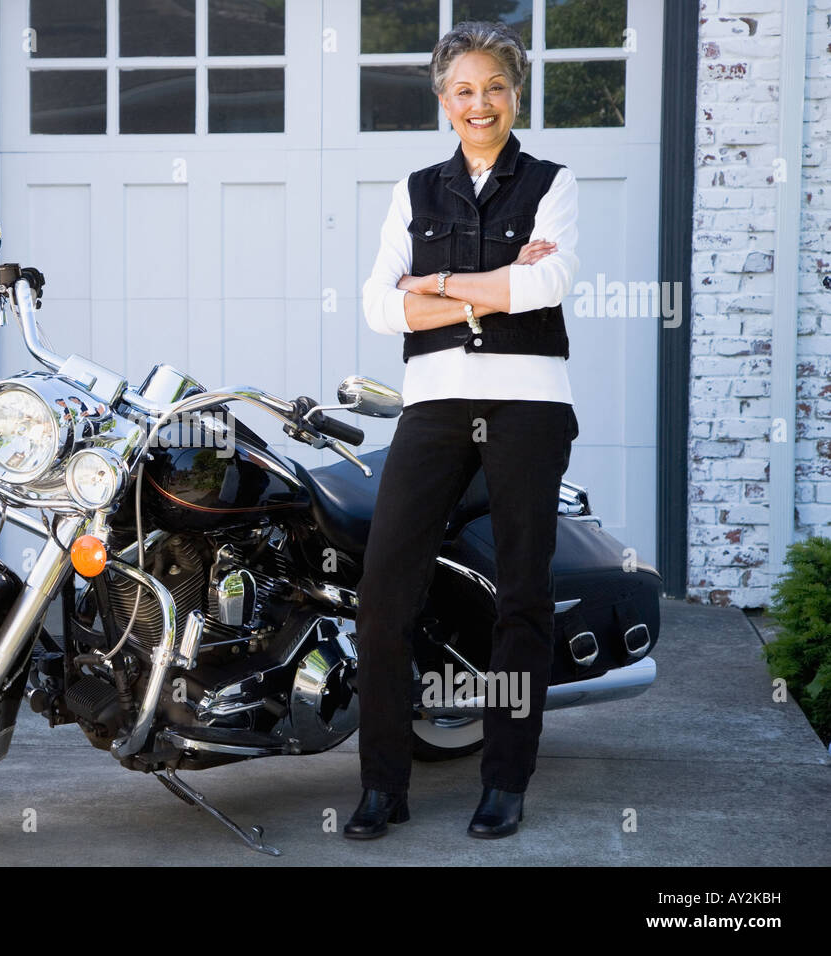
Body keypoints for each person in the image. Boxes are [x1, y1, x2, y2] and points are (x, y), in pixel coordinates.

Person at [344, 20, 581, 840]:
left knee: (522, 593)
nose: (480, 104)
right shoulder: (413, 190)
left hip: (530, 404)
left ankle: (505, 782)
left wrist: (436, 281)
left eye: (496, 88)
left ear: (516, 95)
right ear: (443, 101)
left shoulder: (553, 182)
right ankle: (382, 786)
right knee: (383, 594)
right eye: (464, 90)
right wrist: (493, 284)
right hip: (435, 401)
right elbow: (379, 305)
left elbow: (546, 284)